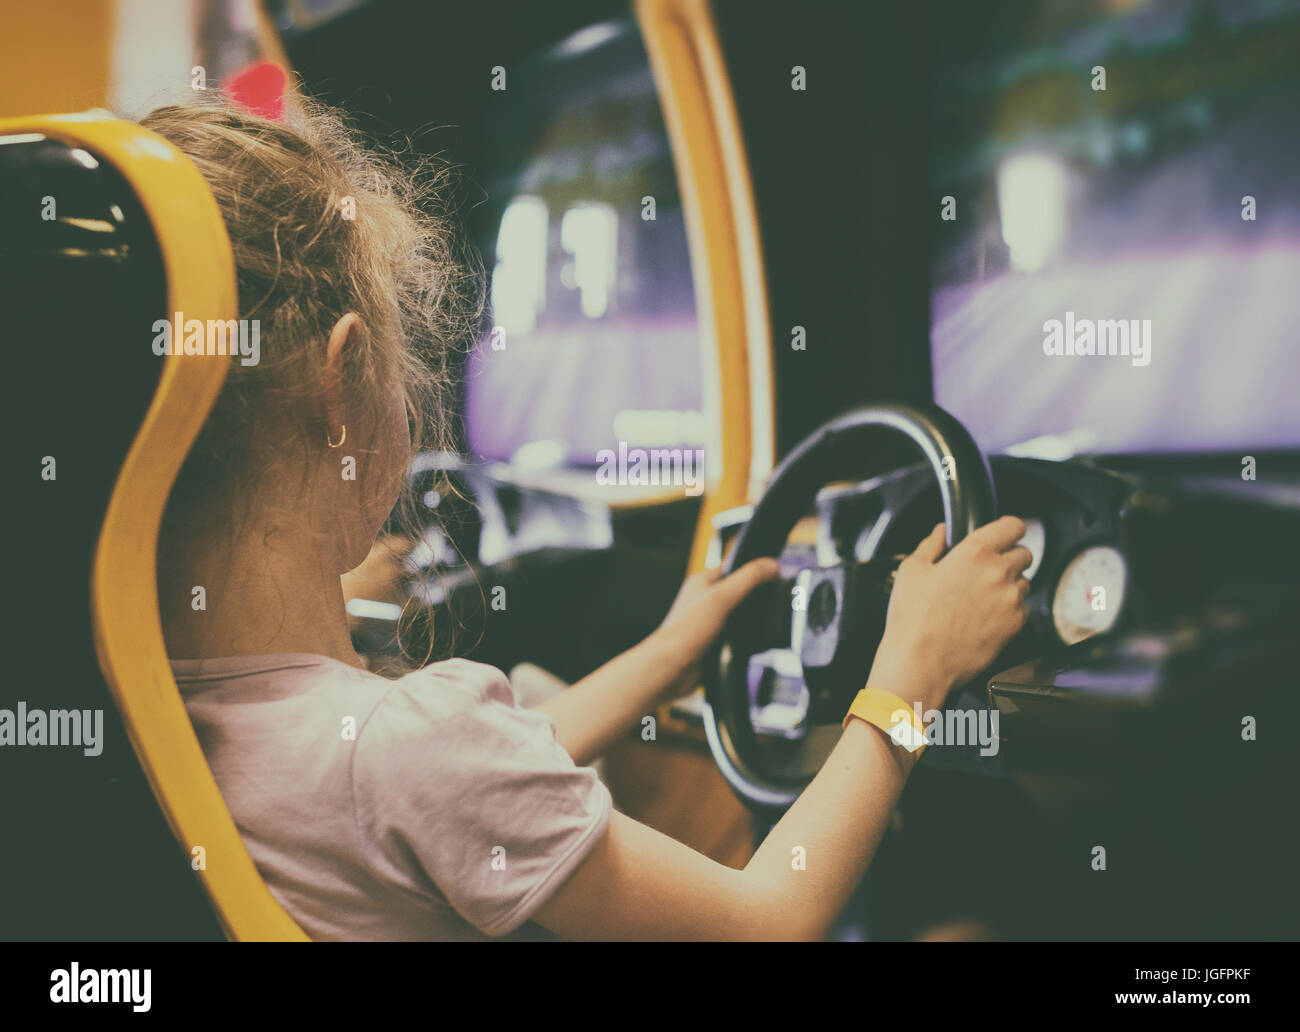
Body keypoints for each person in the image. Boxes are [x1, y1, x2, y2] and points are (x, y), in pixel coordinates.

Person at [150, 96, 1031, 941]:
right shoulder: (409, 746)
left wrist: (666, 658)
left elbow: (459, 792)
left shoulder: (161, 707)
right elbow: (769, 919)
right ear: (336, 387)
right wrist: (914, 680)